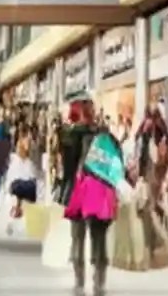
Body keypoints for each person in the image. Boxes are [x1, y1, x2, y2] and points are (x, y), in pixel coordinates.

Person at [59, 95, 119, 296]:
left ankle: (79, 281)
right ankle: (99, 282)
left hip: (77, 191)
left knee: (77, 237)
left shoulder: (70, 135)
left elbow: (66, 166)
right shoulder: (104, 134)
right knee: (99, 238)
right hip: (99, 192)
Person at [7, 135, 38, 218]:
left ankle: (18, 208)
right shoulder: (16, 159)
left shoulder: (29, 161)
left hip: (22, 186)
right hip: (20, 186)